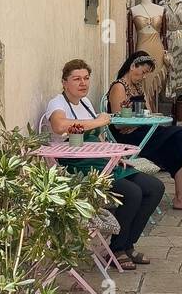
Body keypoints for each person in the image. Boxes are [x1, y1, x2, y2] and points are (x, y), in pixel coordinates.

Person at [43, 58, 164, 274]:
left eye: (86, 78)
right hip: (77, 167)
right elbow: (60, 126)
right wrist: (98, 122)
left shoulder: (86, 103)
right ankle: (116, 249)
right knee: (132, 193)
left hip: (100, 160)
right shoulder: (58, 103)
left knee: (155, 188)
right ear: (64, 82)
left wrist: (115, 155)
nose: (83, 83)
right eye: (76, 79)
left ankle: (127, 244)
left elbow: (98, 138)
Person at [108, 52, 182, 212]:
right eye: (144, 72)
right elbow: (118, 124)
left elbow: (150, 112)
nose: (144, 76)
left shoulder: (138, 87)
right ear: (133, 66)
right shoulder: (119, 87)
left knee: (179, 148)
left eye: (147, 73)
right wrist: (138, 116)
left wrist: (148, 110)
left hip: (145, 133)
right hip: (129, 137)